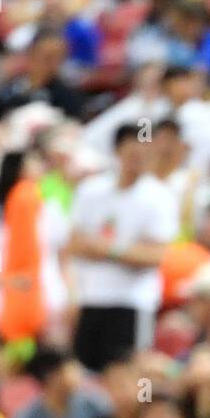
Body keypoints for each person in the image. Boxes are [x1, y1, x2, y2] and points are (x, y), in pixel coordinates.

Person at [68, 123, 180, 370]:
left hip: (132, 302)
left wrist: (107, 249)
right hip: (91, 298)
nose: (136, 161)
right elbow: (75, 244)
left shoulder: (159, 196)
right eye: (131, 155)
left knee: (127, 373)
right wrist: (129, 251)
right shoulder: (91, 191)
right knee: (86, 372)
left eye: (142, 154)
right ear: (117, 153)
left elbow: (155, 255)